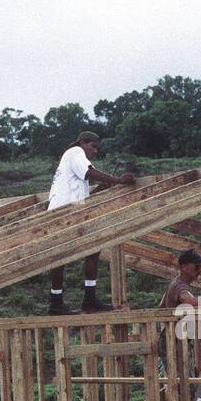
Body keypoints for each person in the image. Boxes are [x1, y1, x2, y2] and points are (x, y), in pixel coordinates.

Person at [45, 131, 136, 315]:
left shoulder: (70, 159)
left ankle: (83, 299)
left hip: (66, 210)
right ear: (83, 142)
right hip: (65, 212)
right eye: (93, 146)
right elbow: (89, 172)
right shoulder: (76, 152)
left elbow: (81, 188)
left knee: (90, 249)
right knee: (63, 255)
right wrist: (118, 180)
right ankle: (65, 302)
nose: (95, 151)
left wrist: (104, 186)